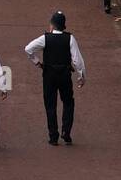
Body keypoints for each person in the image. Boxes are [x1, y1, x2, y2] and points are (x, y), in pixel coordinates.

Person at [24, 11, 85, 145]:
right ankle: (66, 132)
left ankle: (53, 136)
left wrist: (37, 62)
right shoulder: (70, 38)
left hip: (49, 75)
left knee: (50, 105)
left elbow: (28, 49)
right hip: (64, 75)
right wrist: (81, 76)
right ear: (64, 26)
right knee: (68, 102)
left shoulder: (45, 38)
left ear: (52, 25)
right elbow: (77, 60)